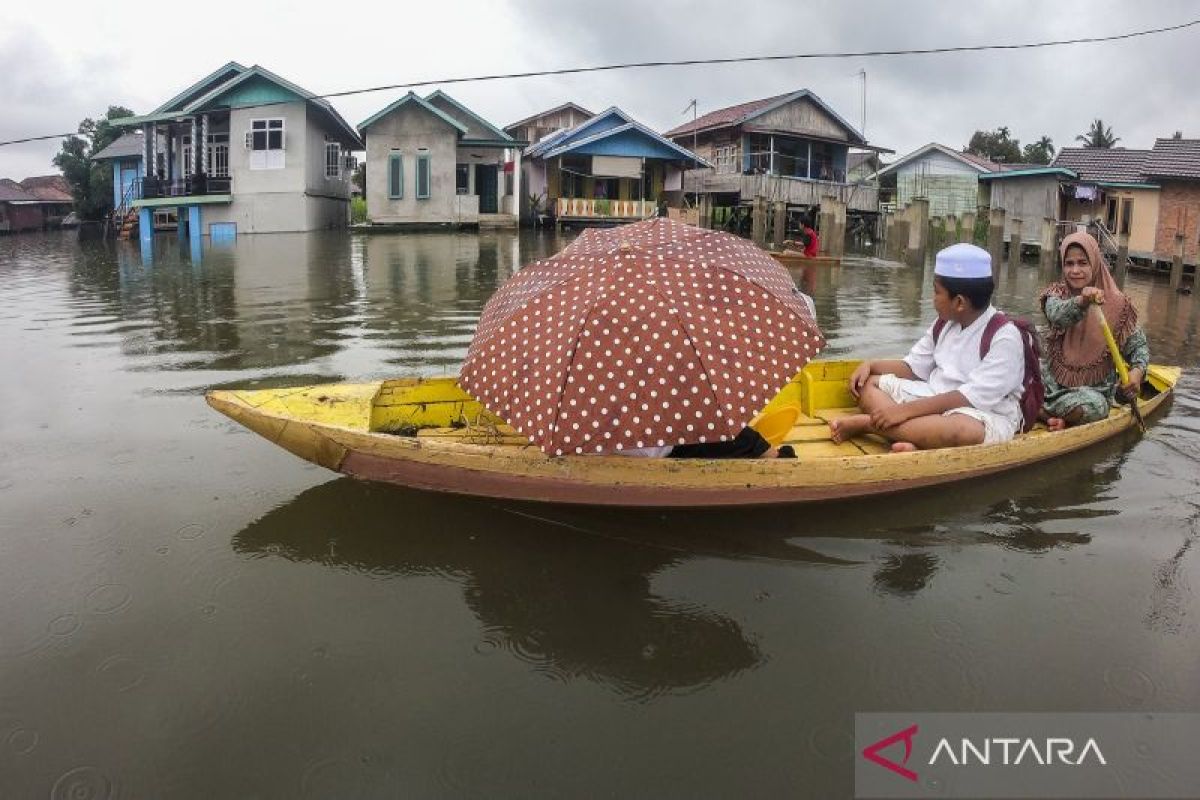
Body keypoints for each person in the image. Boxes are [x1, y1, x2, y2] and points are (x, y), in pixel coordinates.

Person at [829, 243, 1026, 452]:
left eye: (936, 292)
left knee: (962, 432)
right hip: (932, 398)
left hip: (981, 413)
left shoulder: (1004, 337)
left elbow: (969, 398)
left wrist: (904, 411)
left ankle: (869, 425)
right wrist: (871, 365)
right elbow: (913, 368)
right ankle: (919, 438)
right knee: (867, 385)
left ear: (959, 302)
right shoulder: (944, 323)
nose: (932, 299)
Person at [1038, 231, 1148, 430]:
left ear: (1095, 263)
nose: (1075, 270)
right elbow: (1057, 315)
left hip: (1090, 395)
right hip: (1050, 387)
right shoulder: (1055, 294)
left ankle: (1047, 413)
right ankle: (1049, 415)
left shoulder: (1119, 305)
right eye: (1069, 264)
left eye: (1082, 263)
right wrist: (1082, 301)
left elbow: (1139, 348)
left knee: (1093, 407)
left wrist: (1136, 374)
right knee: (1017, 379)